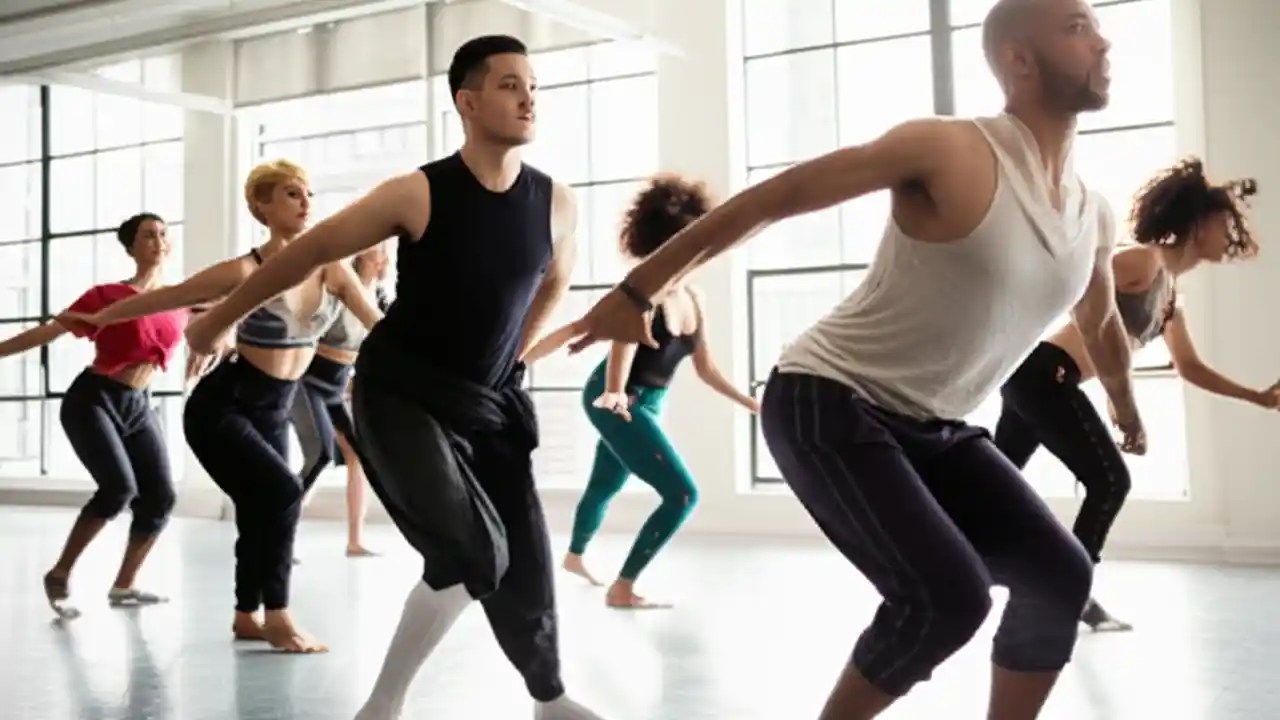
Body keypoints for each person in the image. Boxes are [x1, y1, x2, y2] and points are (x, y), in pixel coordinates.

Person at [533, 1, 1145, 717]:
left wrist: (1125, 407)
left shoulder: (1091, 213)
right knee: (946, 600)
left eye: (1096, 24)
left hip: (936, 425)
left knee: (1060, 576)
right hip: (827, 397)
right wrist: (639, 289)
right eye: (1076, 27)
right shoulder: (950, 149)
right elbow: (777, 198)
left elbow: (1101, 321)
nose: (1102, 41)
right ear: (1019, 58)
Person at [185, 36, 607, 719]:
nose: (528, 98)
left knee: (526, 557)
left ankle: (548, 700)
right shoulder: (418, 192)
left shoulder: (556, 202)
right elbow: (311, 251)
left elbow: (555, 280)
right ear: (468, 102)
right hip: (402, 392)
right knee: (471, 550)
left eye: (532, 86)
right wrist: (217, 320)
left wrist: (514, 359)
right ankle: (381, 706)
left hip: (489, 399)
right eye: (508, 85)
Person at [60, 159, 383, 654]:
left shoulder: (332, 269)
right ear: (261, 206)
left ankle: (246, 615)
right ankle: (278, 615)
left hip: (275, 407)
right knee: (283, 492)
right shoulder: (245, 270)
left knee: (261, 509)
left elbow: (377, 325)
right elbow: (170, 296)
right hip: (223, 406)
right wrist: (101, 317)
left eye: (308, 194)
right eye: (292, 193)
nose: (305, 202)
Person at [995, 158, 1276, 632]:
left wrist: (1257, 397)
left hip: (1045, 378)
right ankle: (1067, 594)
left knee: (995, 479)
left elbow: (1190, 367)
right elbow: (1076, 290)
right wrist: (1117, 396)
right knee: (1109, 481)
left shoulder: (1169, 301)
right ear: (1198, 223)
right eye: (1221, 221)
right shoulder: (1143, 261)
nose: (1229, 232)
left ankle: (951, 554)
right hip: (1045, 373)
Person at [559, 175, 759, 608]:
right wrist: (617, 401)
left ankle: (574, 556)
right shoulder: (645, 295)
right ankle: (623, 587)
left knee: (605, 482)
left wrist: (753, 405)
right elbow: (621, 353)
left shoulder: (694, 299)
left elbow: (706, 369)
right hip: (617, 400)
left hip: (649, 403)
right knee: (682, 495)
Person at [1, 213, 185, 619]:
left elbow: (226, 314)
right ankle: (59, 574)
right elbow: (48, 332)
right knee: (118, 488)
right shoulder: (107, 295)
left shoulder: (179, 298)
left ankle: (124, 585)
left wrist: (221, 340)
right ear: (130, 247)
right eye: (147, 235)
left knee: (161, 496)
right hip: (94, 399)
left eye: (163, 234)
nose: (158, 241)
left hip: (139, 403)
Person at [291, 241, 391, 557]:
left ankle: (354, 541)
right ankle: (280, 534)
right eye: (379, 251)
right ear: (363, 255)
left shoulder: (379, 298)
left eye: (386, 253)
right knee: (319, 457)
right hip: (308, 384)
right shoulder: (341, 288)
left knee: (358, 455)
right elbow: (310, 332)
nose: (385, 258)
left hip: (336, 389)